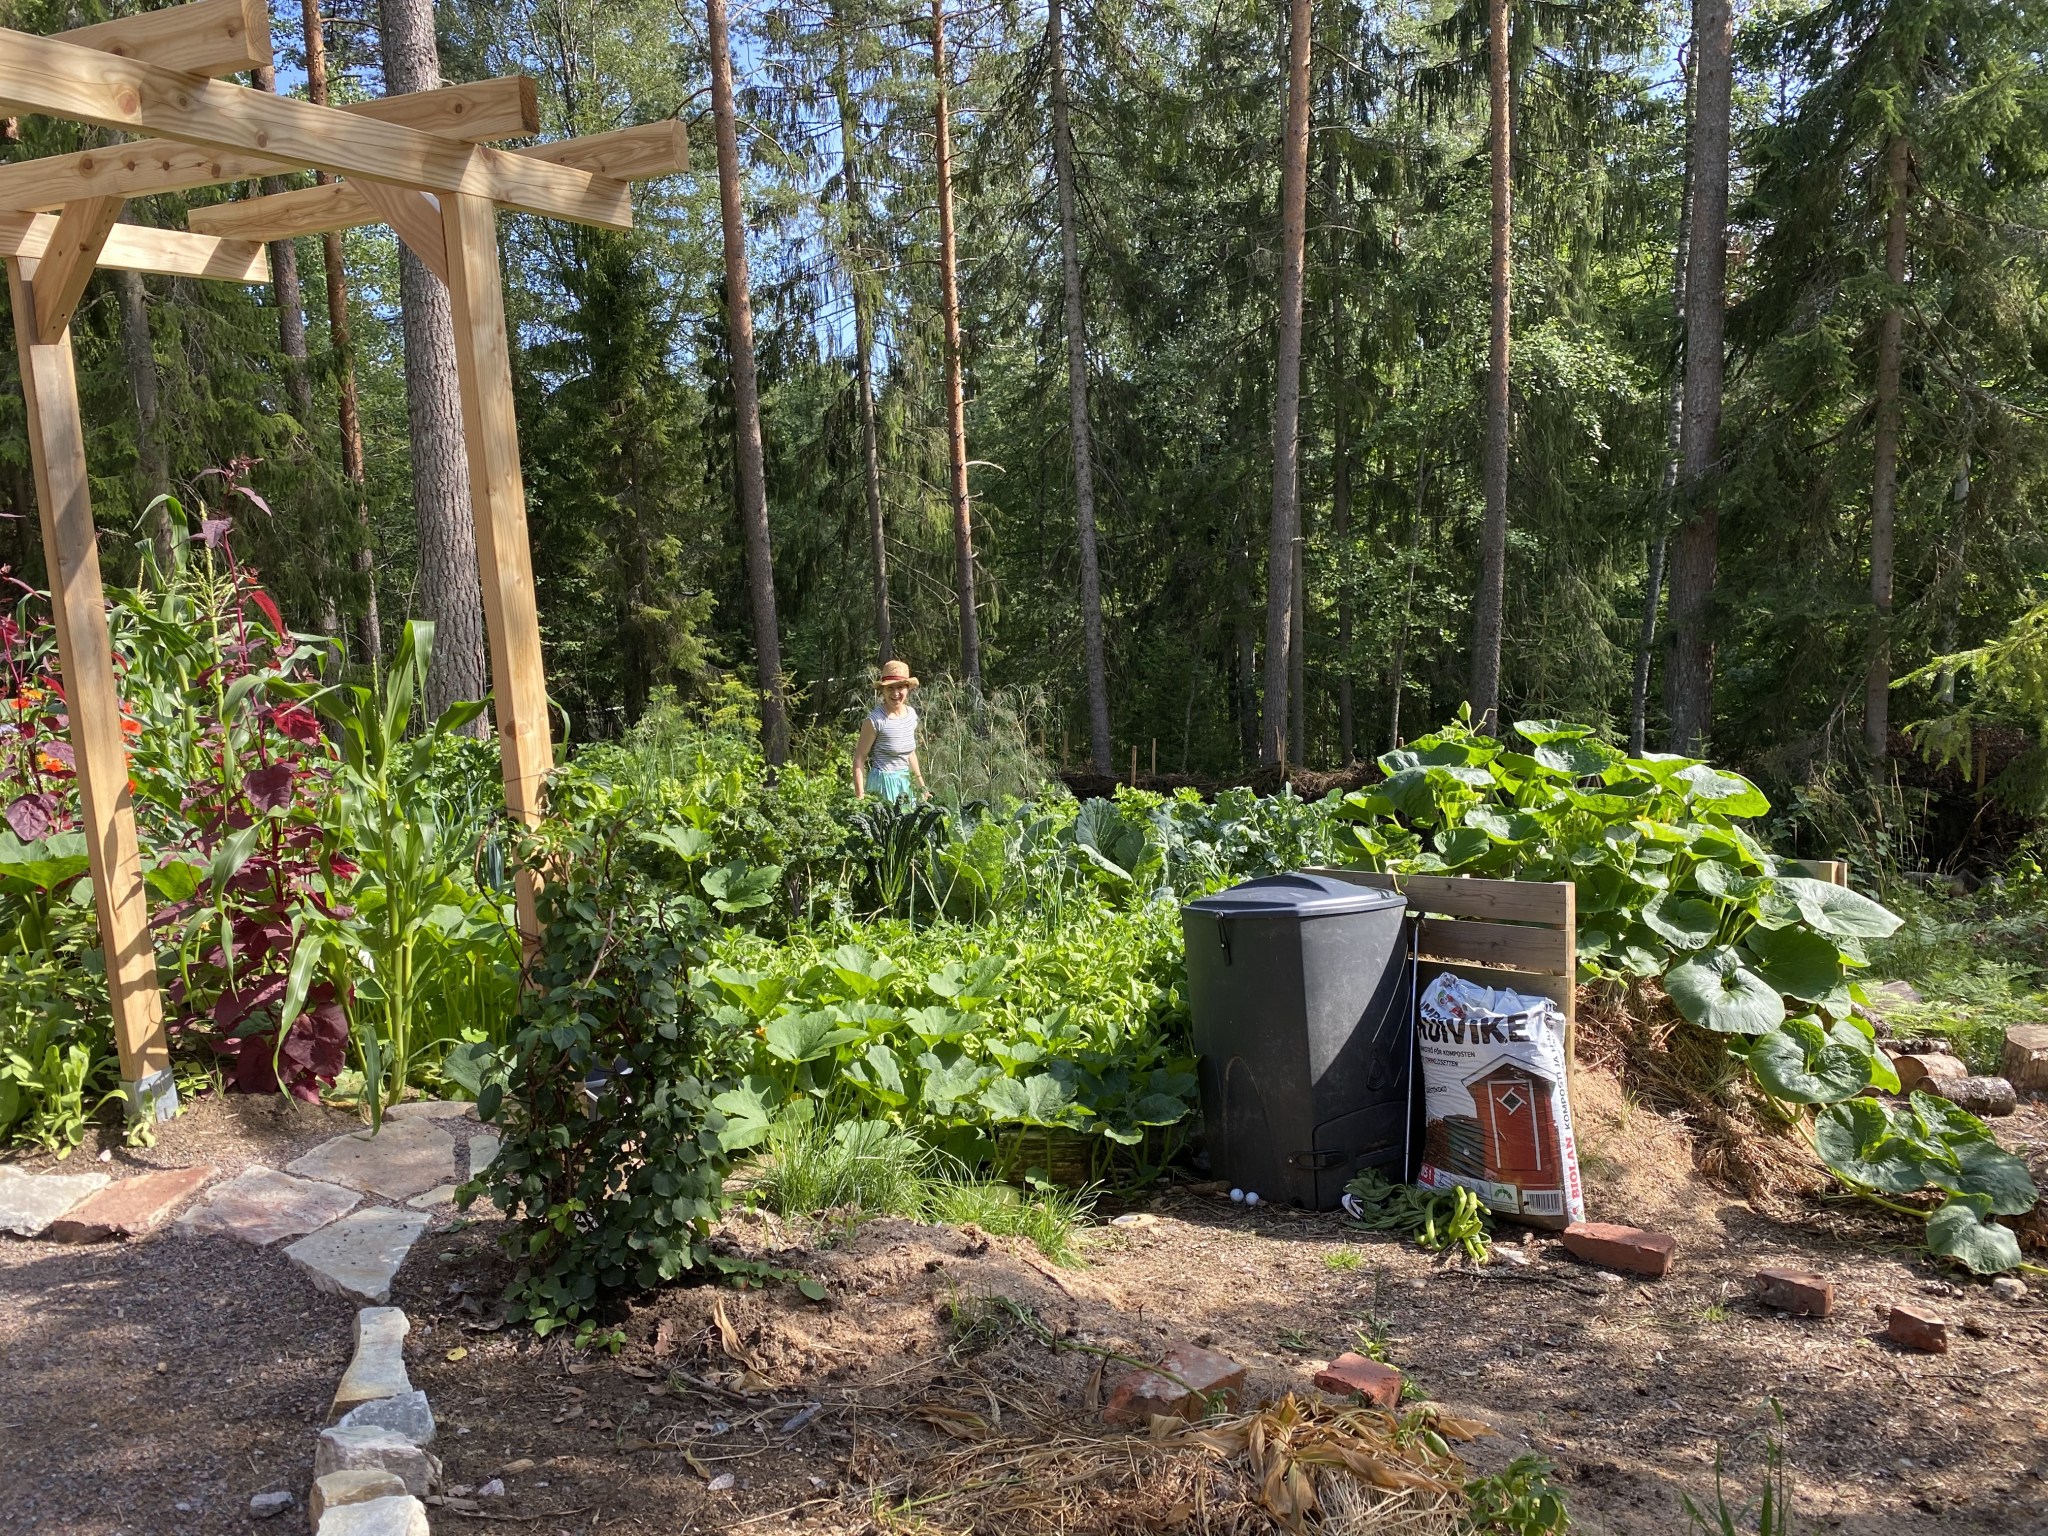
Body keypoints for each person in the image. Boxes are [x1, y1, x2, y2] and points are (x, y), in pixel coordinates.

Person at [854, 659, 928, 803]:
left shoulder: (911, 715)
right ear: (882, 690)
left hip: (906, 784)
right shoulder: (875, 720)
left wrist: (921, 787)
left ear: (908, 688)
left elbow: (910, 753)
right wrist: (860, 796)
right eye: (890, 688)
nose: (895, 693)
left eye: (900, 687)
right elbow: (859, 758)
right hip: (882, 785)